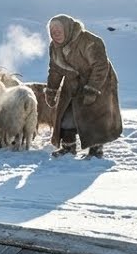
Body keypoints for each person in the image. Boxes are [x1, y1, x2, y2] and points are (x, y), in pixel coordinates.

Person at [45, 14, 123, 158]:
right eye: (52, 30)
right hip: (73, 83)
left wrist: (92, 89)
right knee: (65, 113)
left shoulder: (89, 41)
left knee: (93, 114)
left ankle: (96, 150)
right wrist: (51, 90)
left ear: (67, 28)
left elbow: (100, 67)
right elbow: (55, 70)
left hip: (100, 81)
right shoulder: (54, 47)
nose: (55, 33)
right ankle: (68, 148)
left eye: (58, 29)